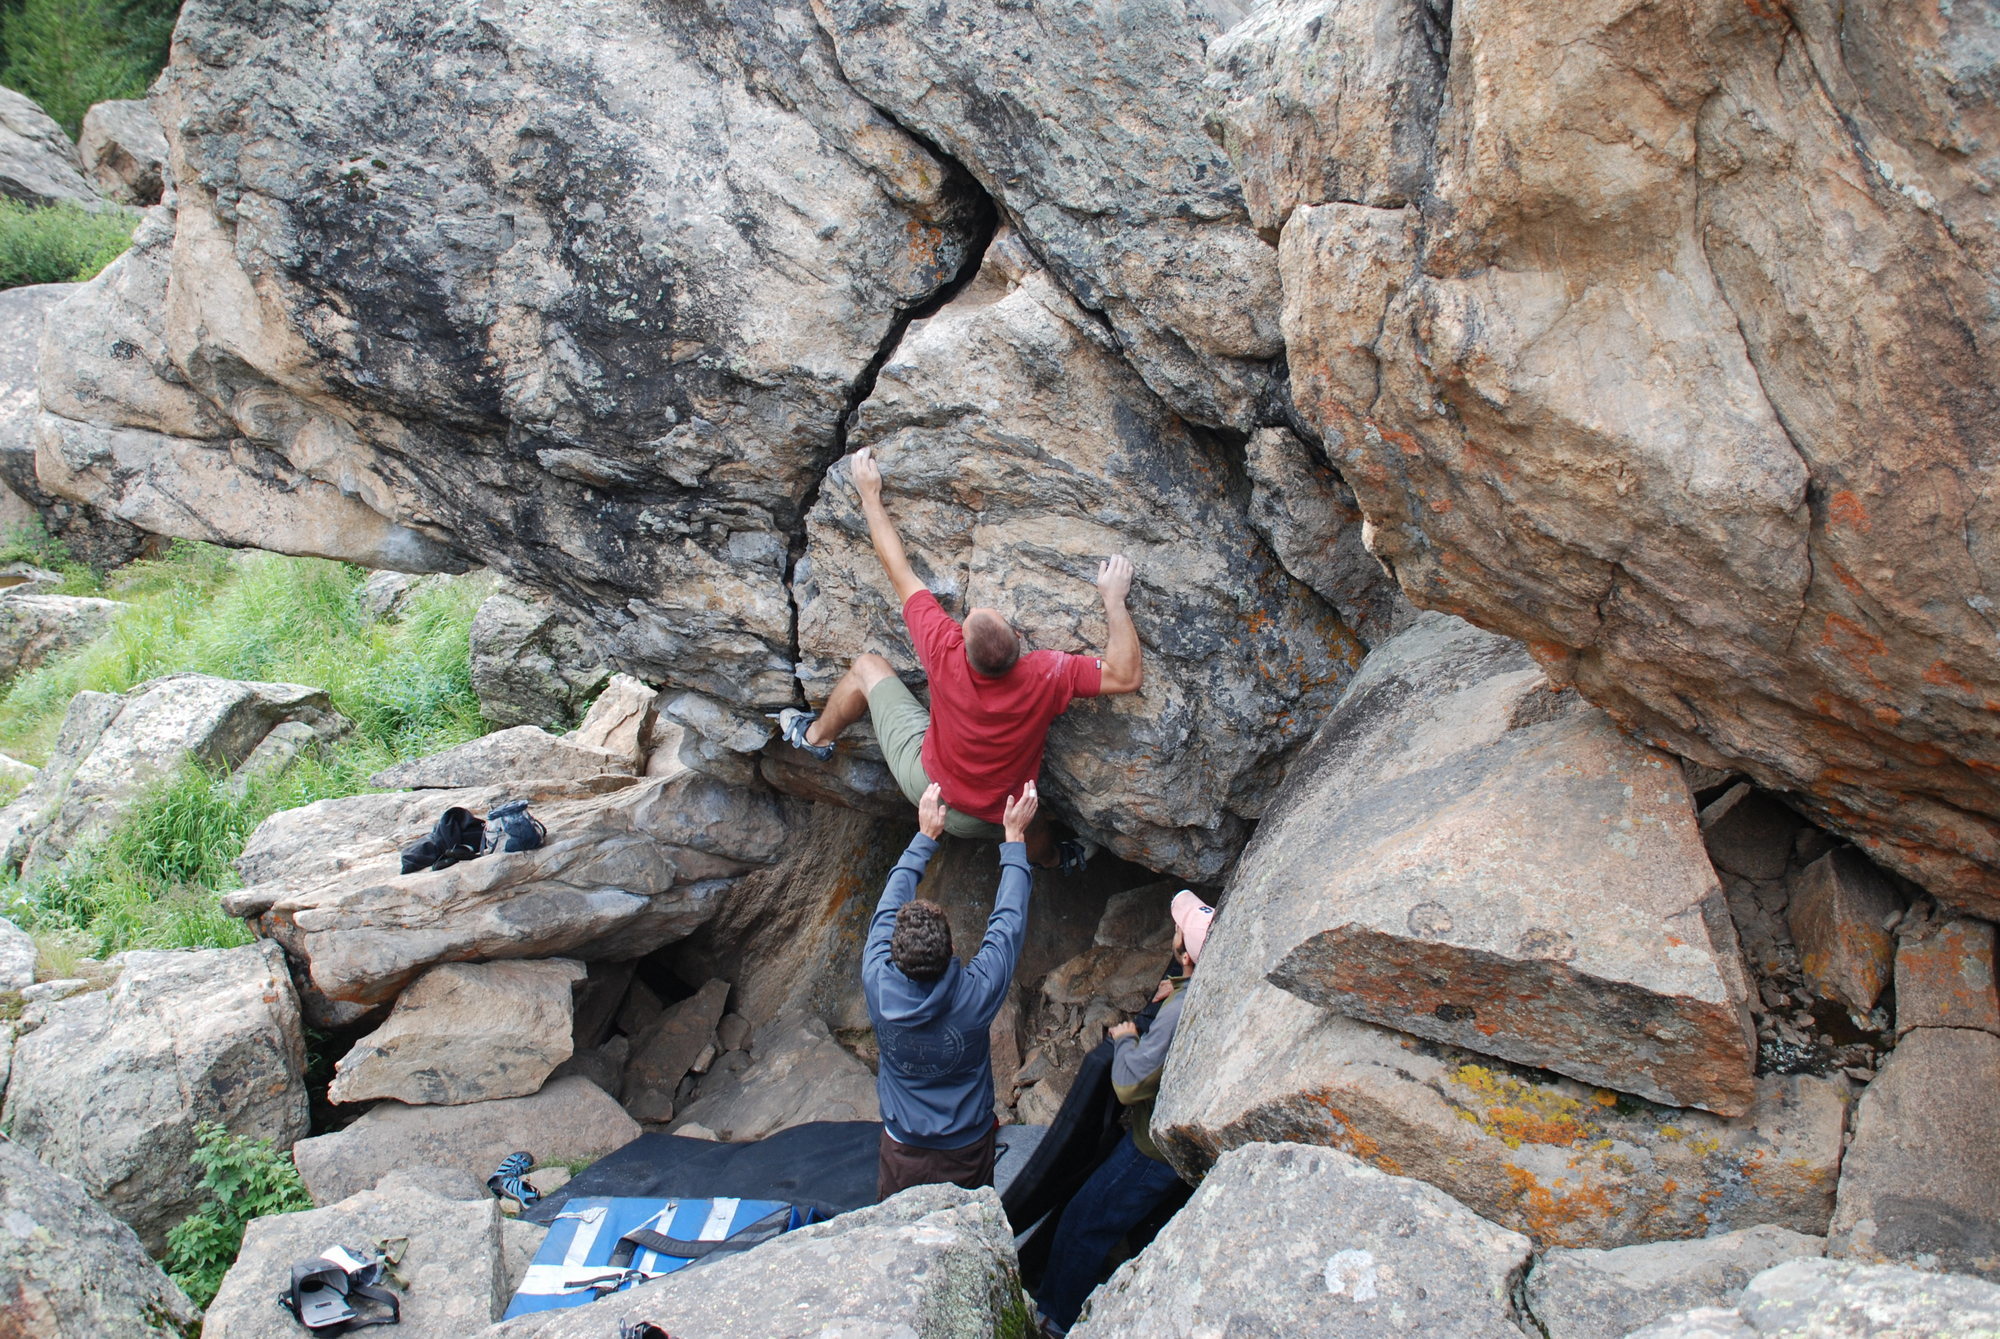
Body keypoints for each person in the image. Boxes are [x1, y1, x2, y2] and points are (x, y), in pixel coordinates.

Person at [775, 446, 1142, 868]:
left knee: (867, 668)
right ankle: (1058, 861)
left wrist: (870, 496)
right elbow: (1125, 676)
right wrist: (1114, 600)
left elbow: (898, 571)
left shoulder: (943, 650)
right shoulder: (1046, 674)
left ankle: (815, 737)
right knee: (1031, 822)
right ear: (1018, 638)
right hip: (993, 816)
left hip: (928, 787)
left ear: (963, 648)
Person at [1031, 890, 1215, 1334]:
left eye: (1179, 931)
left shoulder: (1177, 1011)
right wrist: (1178, 988)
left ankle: (1057, 1318)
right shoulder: (1203, 990)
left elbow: (1131, 1085)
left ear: (1186, 955)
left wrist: (1126, 1038)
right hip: (1189, 1139)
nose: (1174, 933)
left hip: (1153, 1148)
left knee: (1084, 1222)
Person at [866, 779, 1040, 1200]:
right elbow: (1008, 924)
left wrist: (925, 836)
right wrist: (1013, 838)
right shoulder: (974, 995)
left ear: (892, 953)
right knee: (971, 1224)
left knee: (894, 1228)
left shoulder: (876, 980)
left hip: (902, 1145)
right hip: (967, 1145)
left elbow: (887, 906)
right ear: (953, 950)